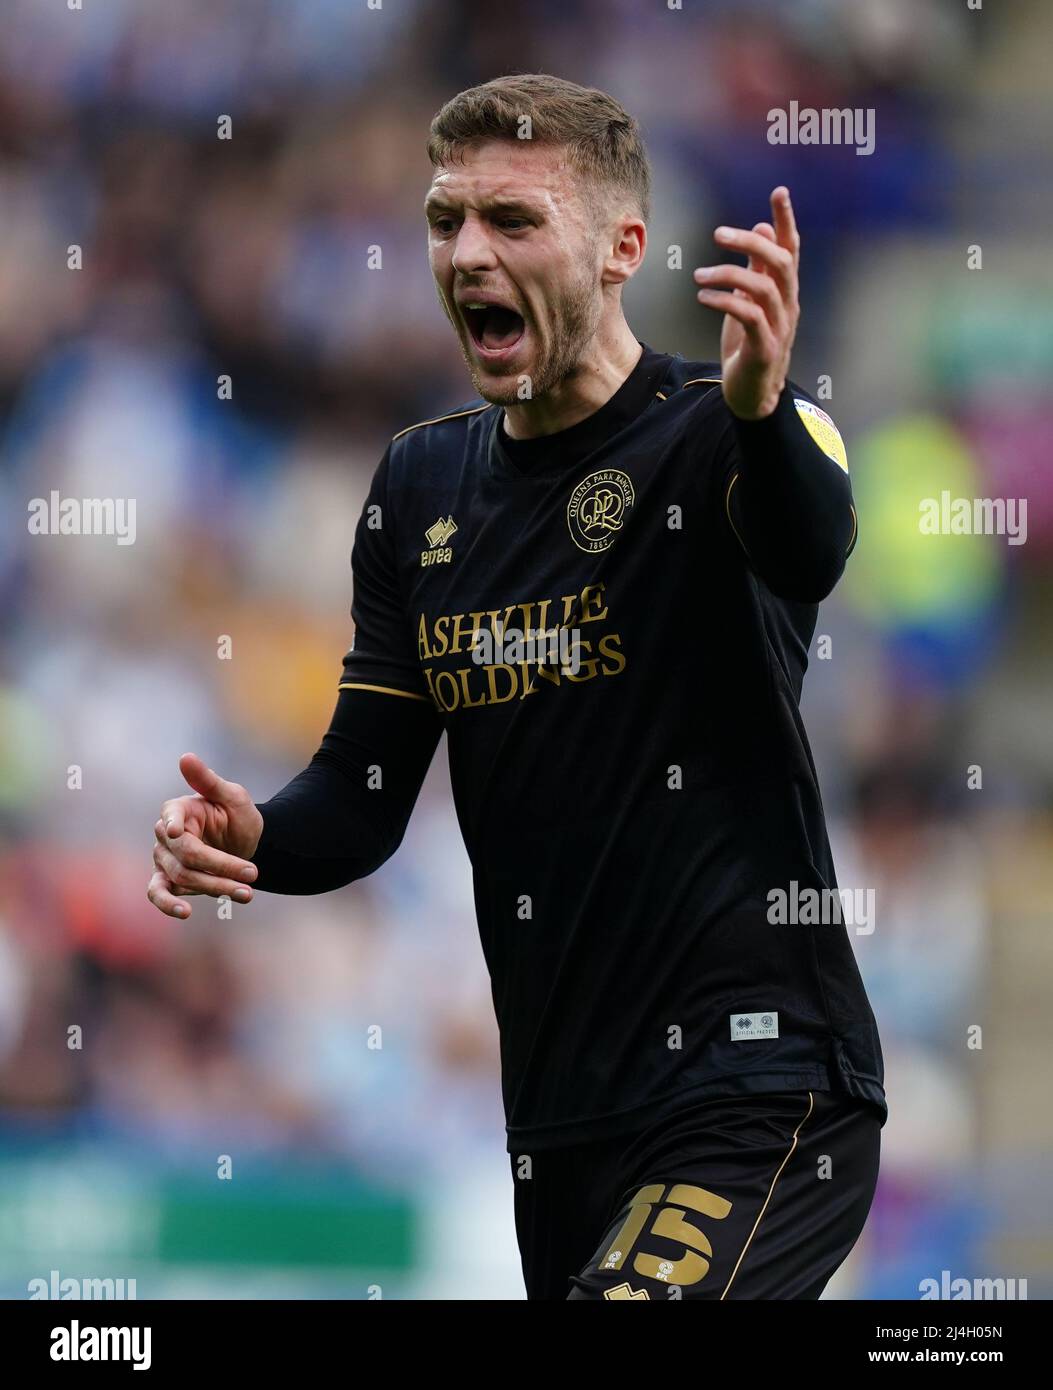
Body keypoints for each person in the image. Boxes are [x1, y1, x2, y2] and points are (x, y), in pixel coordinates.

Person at [148, 74, 885, 1300]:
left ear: (620, 251)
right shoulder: (420, 487)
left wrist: (761, 413)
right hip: (562, 1120)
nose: (469, 254)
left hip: (761, 1087)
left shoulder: (730, 426)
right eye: (448, 222)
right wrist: (256, 836)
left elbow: (813, 547)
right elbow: (365, 791)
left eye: (514, 221)